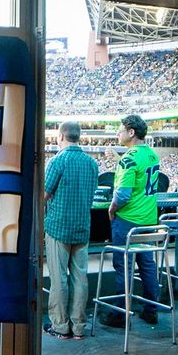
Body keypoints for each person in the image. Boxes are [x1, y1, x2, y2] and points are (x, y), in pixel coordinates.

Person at [99, 114, 161, 328]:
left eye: (121, 129)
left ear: (131, 132)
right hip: (149, 220)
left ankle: (119, 314)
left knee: (123, 267)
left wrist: (112, 207)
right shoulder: (152, 155)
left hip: (128, 221)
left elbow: (123, 194)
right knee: (147, 265)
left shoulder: (128, 159)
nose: (118, 133)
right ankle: (151, 310)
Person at [42, 121, 98, 340]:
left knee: (58, 280)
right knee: (80, 278)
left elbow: (44, 194)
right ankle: (79, 327)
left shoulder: (58, 161)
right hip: (82, 227)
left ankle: (61, 326)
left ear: (60, 136)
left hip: (58, 227)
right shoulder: (92, 163)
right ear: (79, 137)